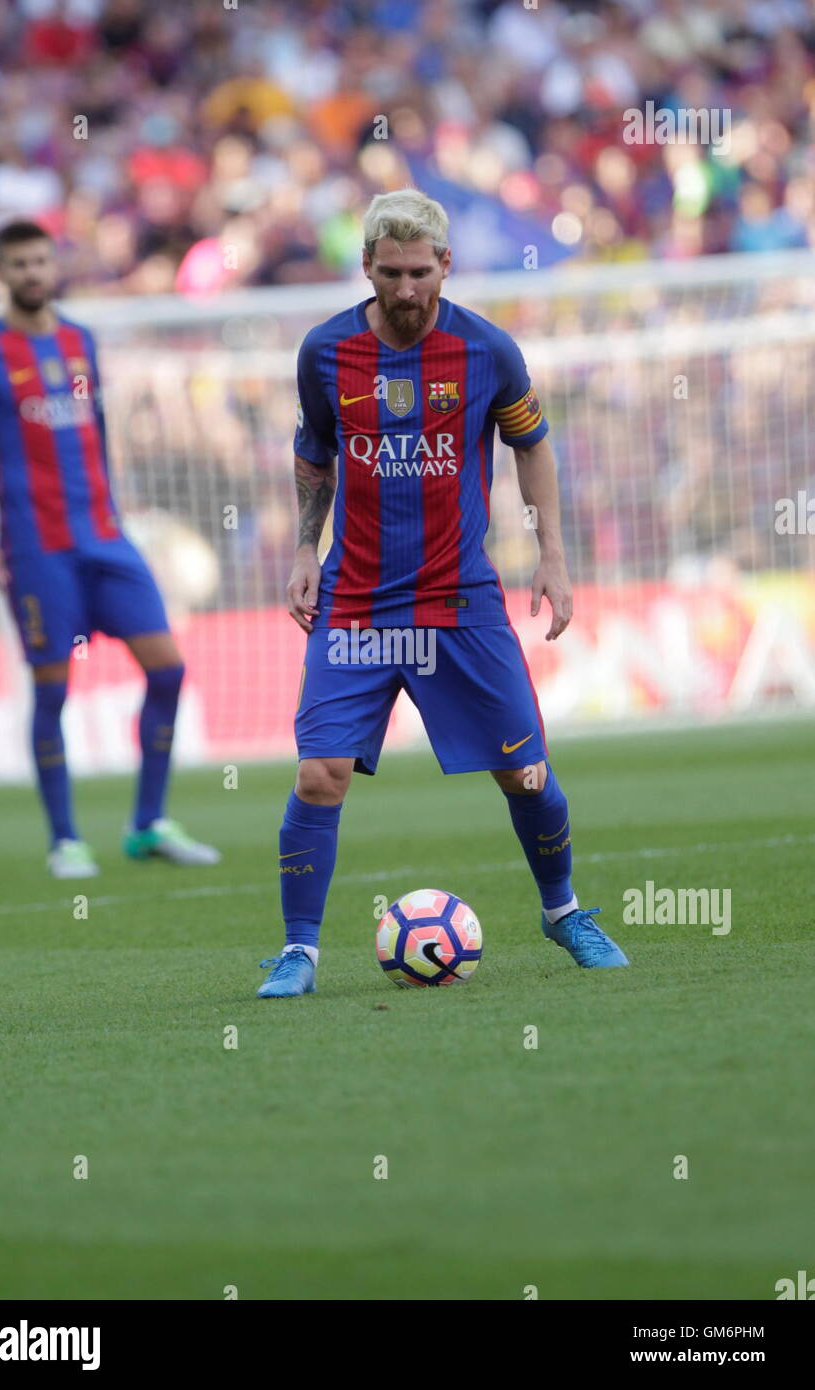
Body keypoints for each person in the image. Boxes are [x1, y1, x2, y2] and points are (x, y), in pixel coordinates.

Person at [257, 188, 627, 998]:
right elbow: (314, 455)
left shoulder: (488, 350)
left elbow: (533, 445)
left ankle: (563, 911)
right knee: (320, 774)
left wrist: (553, 554)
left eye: (420, 272)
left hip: (459, 599)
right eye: (389, 273)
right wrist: (302, 548)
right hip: (355, 603)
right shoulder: (324, 352)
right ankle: (299, 953)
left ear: (446, 265)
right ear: (366, 267)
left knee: (526, 775)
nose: (405, 290)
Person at [0, 219, 219, 877]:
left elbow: (94, 431)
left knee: (168, 669)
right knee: (51, 690)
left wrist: (120, 509)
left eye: (41, 261)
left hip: (105, 537)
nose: (33, 273)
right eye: (19, 264)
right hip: (37, 549)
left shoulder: (81, 341)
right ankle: (65, 839)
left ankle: (148, 823)